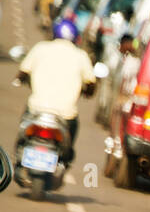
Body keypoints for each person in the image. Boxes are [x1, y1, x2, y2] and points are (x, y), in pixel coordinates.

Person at [17, 18, 95, 162]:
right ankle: (64, 161)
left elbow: (23, 72)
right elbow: (91, 83)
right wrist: (87, 92)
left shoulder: (41, 48)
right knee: (69, 149)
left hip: (36, 108)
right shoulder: (81, 56)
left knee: (21, 134)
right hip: (65, 114)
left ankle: (18, 154)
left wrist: (23, 80)